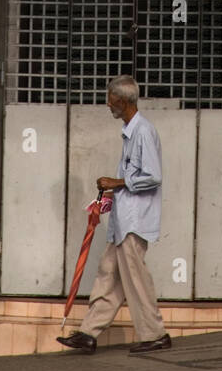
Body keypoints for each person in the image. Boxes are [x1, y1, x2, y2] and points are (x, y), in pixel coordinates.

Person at [57, 75, 171, 355]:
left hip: (135, 222)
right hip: (124, 221)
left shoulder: (143, 131)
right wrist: (112, 192)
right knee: (109, 275)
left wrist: (116, 183)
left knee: (136, 281)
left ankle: (156, 334)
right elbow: (136, 177)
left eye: (110, 98)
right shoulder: (132, 131)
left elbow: (153, 177)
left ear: (122, 100)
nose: (108, 103)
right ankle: (88, 333)